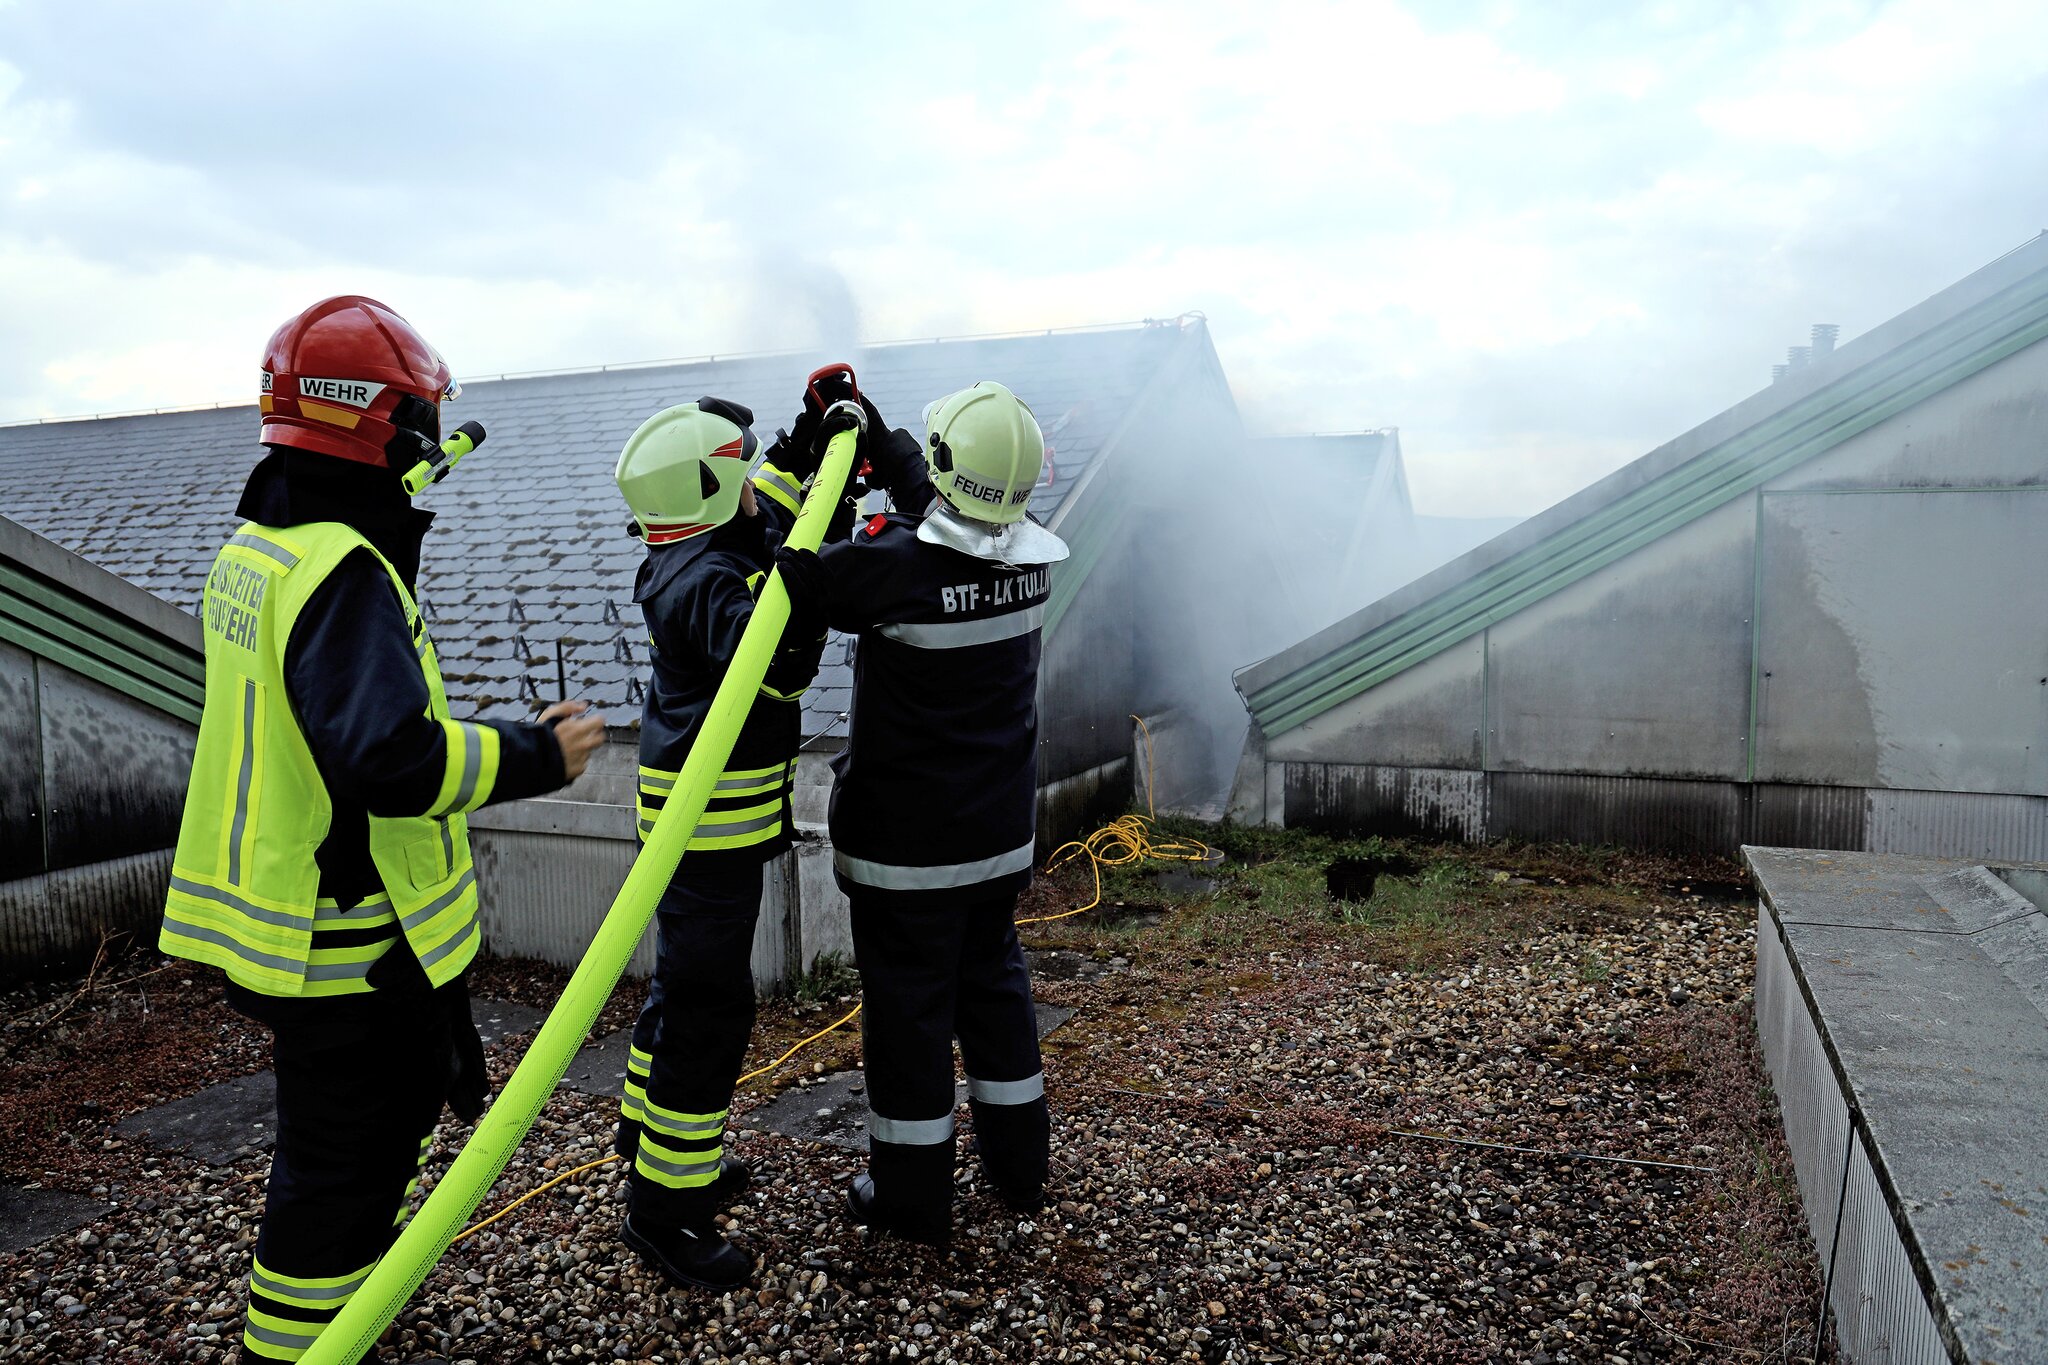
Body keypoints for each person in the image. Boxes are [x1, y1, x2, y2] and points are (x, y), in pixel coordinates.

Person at [156, 295, 607, 1364]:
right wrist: (538, 755)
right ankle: (306, 1345)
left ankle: (341, 1316)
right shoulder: (345, 574)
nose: (429, 449)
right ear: (381, 424)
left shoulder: (259, 549)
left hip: (281, 920)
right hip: (345, 942)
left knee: (341, 1155)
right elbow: (390, 759)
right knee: (341, 1172)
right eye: (420, 424)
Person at [773, 380, 1069, 1243]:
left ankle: (911, 1196)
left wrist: (810, 471)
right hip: (995, 846)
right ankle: (1020, 1170)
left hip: (906, 862)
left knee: (908, 1025)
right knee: (996, 998)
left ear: (949, 469)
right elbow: (943, 515)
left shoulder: (886, 572)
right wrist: (887, 440)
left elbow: (802, 573)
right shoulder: (1031, 563)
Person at [607, 396, 838, 1290]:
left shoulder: (695, 547)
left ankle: (649, 1135)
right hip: (711, 833)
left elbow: (760, 505)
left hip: (696, 827)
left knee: (680, 987)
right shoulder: (706, 585)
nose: (757, 483)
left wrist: (801, 442)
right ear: (708, 490)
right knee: (711, 1011)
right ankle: (667, 1207)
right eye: (738, 467)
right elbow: (777, 662)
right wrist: (818, 569)